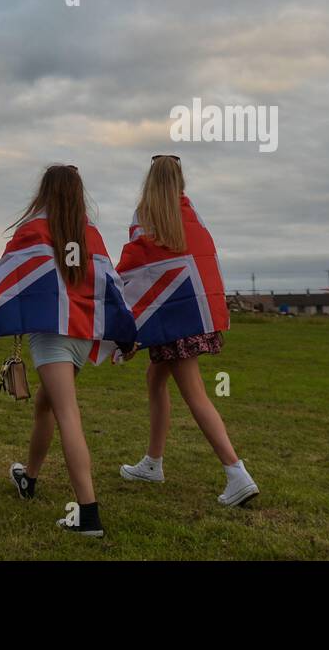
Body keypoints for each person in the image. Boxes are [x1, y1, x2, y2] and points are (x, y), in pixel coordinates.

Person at [0, 164, 137, 538]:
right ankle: (29, 478)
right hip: (82, 335)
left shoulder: (32, 231)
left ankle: (88, 514)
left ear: (44, 192)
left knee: (66, 413)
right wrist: (124, 331)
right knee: (46, 405)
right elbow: (110, 282)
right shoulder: (89, 234)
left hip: (52, 336)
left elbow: (5, 277)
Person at [116, 155, 258, 506]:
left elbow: (136, 269)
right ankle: (152, 463)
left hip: (173, 320)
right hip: (190, 315)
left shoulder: (146, 215)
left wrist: (120, 313)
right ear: (181, 180)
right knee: (155, 378)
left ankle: (236, 471)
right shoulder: (191, 214)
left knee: (194, 393)